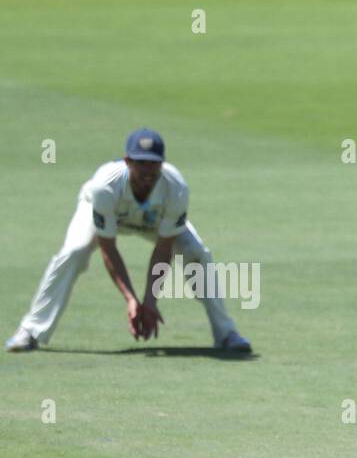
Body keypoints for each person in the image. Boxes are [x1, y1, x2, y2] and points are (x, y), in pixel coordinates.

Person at [5, 128, 252, 353]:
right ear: (128, 161)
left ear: (162, 164)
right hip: (104, 210)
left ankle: (226, 333)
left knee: (196, 253)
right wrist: (132, 300)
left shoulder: (176, 188)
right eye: (140, 163)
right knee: (75, 251)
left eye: (153, 164)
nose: (147, 171)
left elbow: (163, 249)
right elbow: (108, 248)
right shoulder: (105, 186)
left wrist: (150, 301)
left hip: (154, 220)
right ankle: (30, 330)